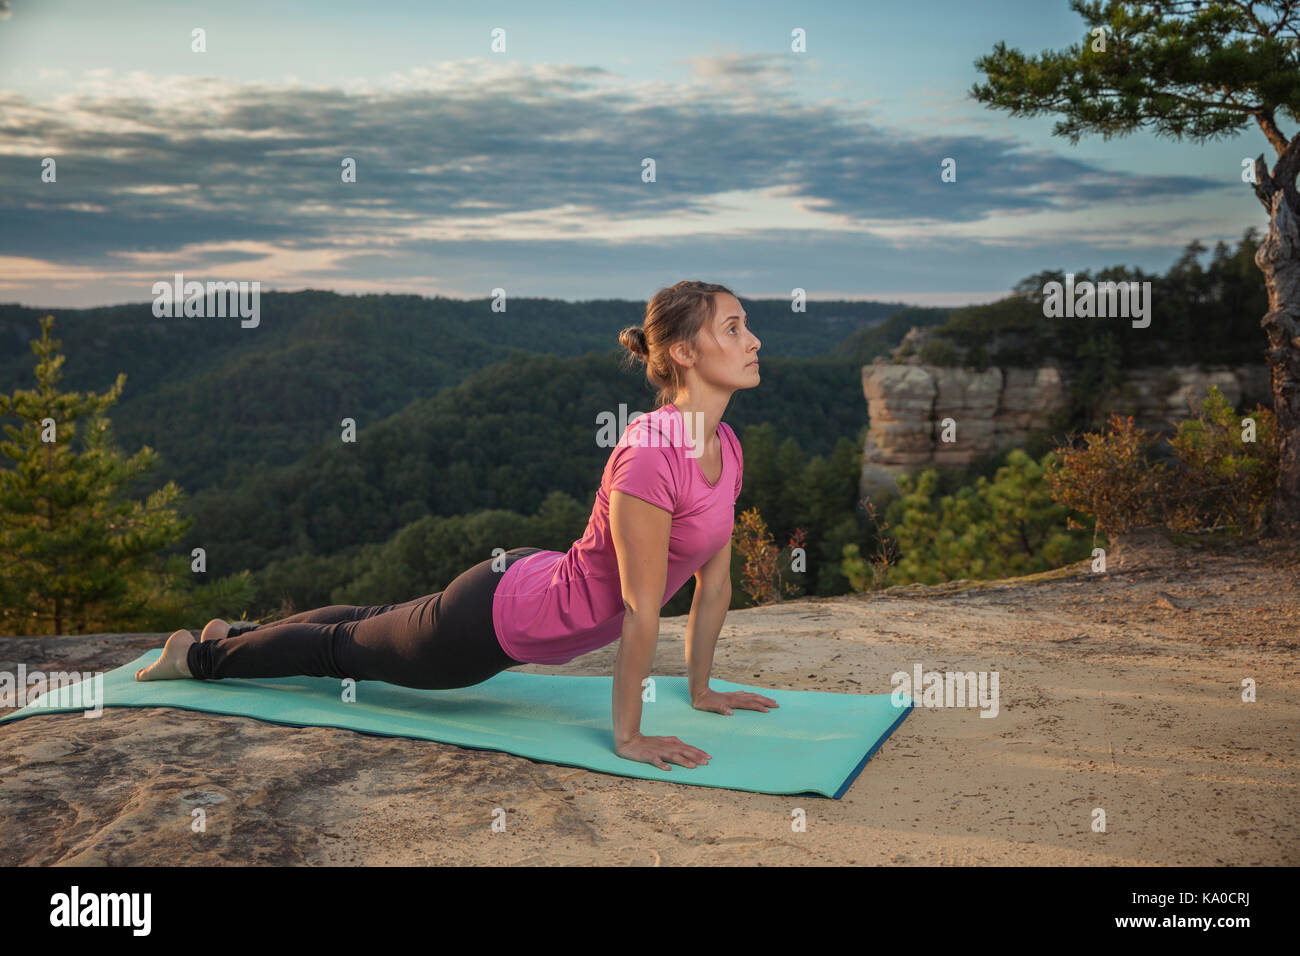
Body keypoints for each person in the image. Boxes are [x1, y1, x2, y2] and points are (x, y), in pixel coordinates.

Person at [136, 279, 778, 771]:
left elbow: (712, 585)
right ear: (685, 352)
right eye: (734, 328)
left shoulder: (725, 445)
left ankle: (239, 633)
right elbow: (641, 611)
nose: (753, 341)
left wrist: (700, 690)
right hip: (501, 619)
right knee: (343, 652)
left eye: (746, 327)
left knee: (368, 619)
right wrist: (630, 736)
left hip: (533, 578)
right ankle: (198, 658)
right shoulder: (651, 454)